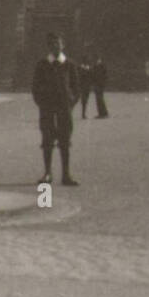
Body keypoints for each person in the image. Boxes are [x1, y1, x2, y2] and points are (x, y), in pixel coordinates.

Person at [32, 32, 80, 185]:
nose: (56, 47)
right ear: (49, 47)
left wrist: (70, 102)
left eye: (58, 44)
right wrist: (42, 103)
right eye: (52, 44)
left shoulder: (69, 64)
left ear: (63, 45)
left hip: (64, 108)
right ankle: (47, 173)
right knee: (47, 140)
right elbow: (35, 87)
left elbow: (76, 87)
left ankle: (66, 174)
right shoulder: (42, 64)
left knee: (65, 141)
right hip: (47, 109)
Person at [89, 51, 108, 118]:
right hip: (96, 85)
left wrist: (103, 83)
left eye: (96, 58)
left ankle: (103, 113)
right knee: (98, 99)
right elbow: (92, 75)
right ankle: (101, 113)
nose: (95, 60)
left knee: (100, 99)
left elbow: (105, 76)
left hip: (100, 85)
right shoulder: (95, 66)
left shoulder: (102, 66)